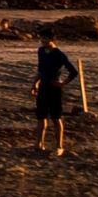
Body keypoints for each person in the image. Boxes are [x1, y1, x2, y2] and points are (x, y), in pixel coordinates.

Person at [32, 28, 80, 157]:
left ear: (52, 39)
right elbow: (40, 70)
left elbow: (73, 72)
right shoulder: (41, 51)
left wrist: (62, 83)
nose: (42, 41)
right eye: (41, 38)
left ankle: (59, 146)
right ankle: (39, 144)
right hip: (43, 88)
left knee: (55, 117)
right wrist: (35, 84)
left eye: (45, 38)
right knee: (41, 117)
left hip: (54, 90)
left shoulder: (59, 54)